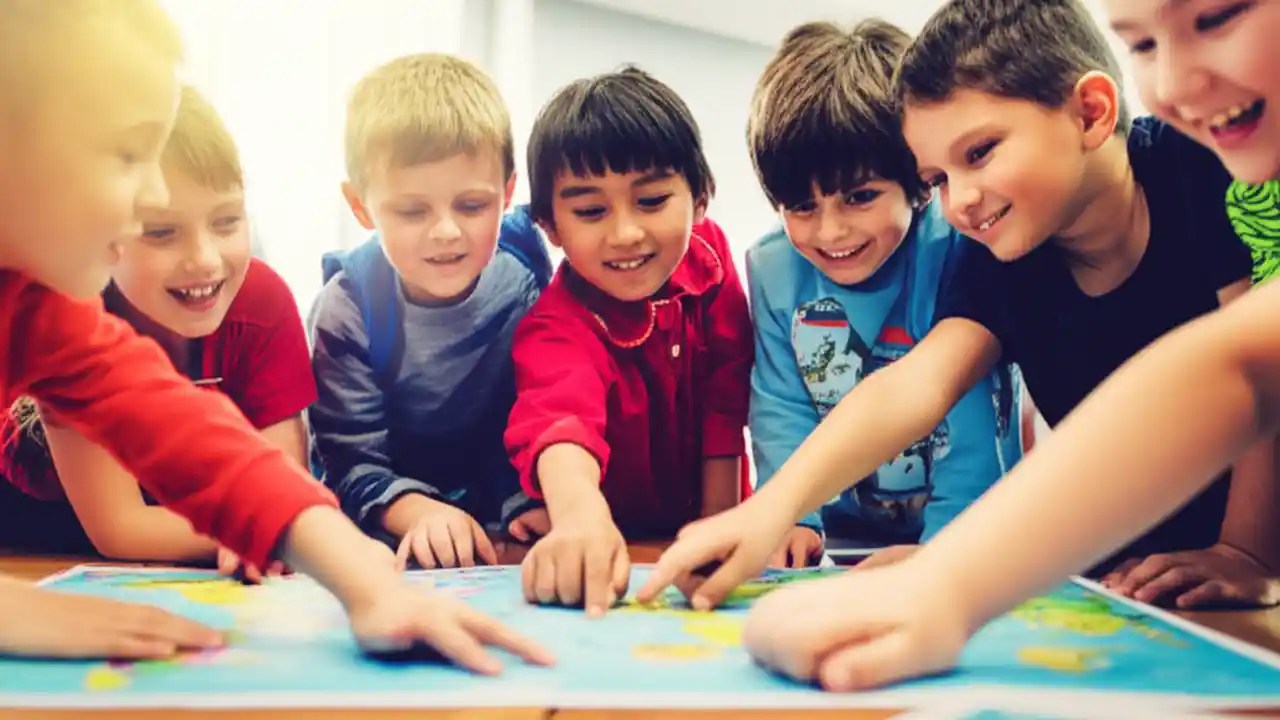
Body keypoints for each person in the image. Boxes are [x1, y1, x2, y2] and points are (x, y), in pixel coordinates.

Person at [639, 0, 1262, 621]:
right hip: (1139, 577)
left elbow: (1259, 376)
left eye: (981, 152)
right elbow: (917, 384)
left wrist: (1247, 550)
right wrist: (769, 510)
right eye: (936, 178)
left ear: (1090, 113)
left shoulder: (1205, 170)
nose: (959, 201)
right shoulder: (998, 255)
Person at [0, 0, 551, 673]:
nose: (149, 195)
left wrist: (366, 580)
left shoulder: (39, 308)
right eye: (125, 154)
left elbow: (186, 435)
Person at [745, 19, 1023, 568]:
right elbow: (780, 404)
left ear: (918, 181)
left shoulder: (956, 249)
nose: (830, 232)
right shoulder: (772, 268)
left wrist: (945, 552)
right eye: (802, 207)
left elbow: (968, 421)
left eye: (860, 196)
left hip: (970, 530)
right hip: (846, 541)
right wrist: (791, 517)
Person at [504, 68, 753, 616]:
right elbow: (558, 423)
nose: (625, 234)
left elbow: (726, 399)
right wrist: (577, 516)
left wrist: (716, 527)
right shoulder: (556, 326)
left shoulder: (710, 261)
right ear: (549, 225)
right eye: (591, 211)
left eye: (653, 200)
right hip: (612, 540)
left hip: (710, 529)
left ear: (701, 197)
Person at [309, 53, 552, 571]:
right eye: (412, 211)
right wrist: (418, 512)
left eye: (472, 206)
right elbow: (347, 464)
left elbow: (531, 412)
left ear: (508, 193)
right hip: (385, 530)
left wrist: (528, 501)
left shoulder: (527, 280)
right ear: (360, 207)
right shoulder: (349, 307)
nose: (446, 231)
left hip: (493, 530)